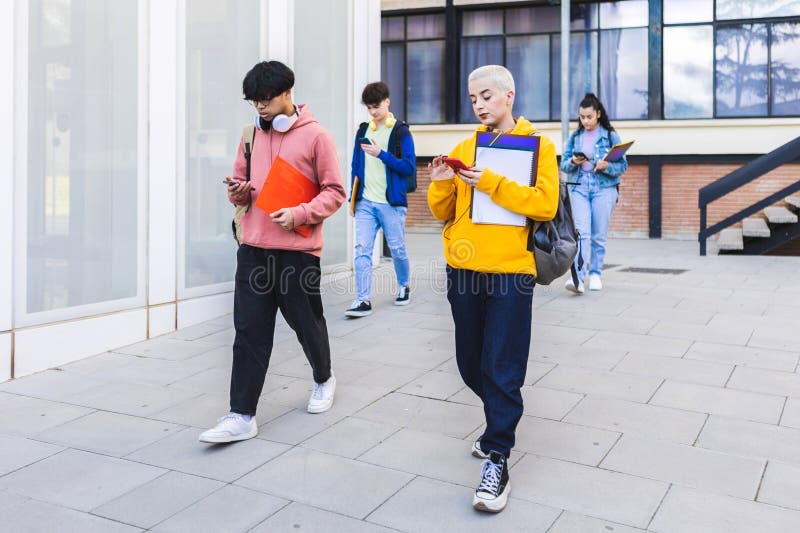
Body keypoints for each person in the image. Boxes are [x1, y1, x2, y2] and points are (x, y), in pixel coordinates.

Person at [427, 65, 559, 513]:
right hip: (463, 269)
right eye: (473, 98)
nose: (479, 105)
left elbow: (545, 204)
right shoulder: (464, 146)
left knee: (502, 366)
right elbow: (441, 210)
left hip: (511, 272)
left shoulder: (540, 146)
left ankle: (498, 455)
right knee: (470, 362)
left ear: (509, 95)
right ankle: (500, 418)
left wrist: (491, 182)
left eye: (486, 96)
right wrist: (441, 182)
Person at [200, 61, 345, 444]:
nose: (260, 108)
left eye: (265, 100)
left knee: (306, 324)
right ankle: (241, 414)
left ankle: (323, 378)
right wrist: (238, 191)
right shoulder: (250, 135)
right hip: (252, 248)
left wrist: (299, 213)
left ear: (287, 93)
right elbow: (244, 183)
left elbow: (335, 192)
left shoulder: (317, 137)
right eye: (254, 102)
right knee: (248, 332)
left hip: (298, 252)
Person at [345, 81, 416, 318]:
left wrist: (381, 154)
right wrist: (352, 200)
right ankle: (363, 300)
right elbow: (356, 166)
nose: (373, 112)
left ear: (387, 101)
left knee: (397, 249)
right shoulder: (363, 130)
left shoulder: (400, 131)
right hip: (365, 202)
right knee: (361, 250)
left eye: (376, 106)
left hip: (391, 203)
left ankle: (404, 285)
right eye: (369, 108)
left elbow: (408, 167)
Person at [560, 93, 628, 294]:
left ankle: (596, 273)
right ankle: (578, 278)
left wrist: (607, 166)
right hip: (579, 188)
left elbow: (622, 165)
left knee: (599, 235)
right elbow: (563, 164)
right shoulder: (575, 137)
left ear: (598, 114)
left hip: (604, 189)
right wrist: (573, 162)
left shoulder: (609, 135)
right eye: (582, 117)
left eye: (589, 116)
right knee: (582, 233)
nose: (585, 121)